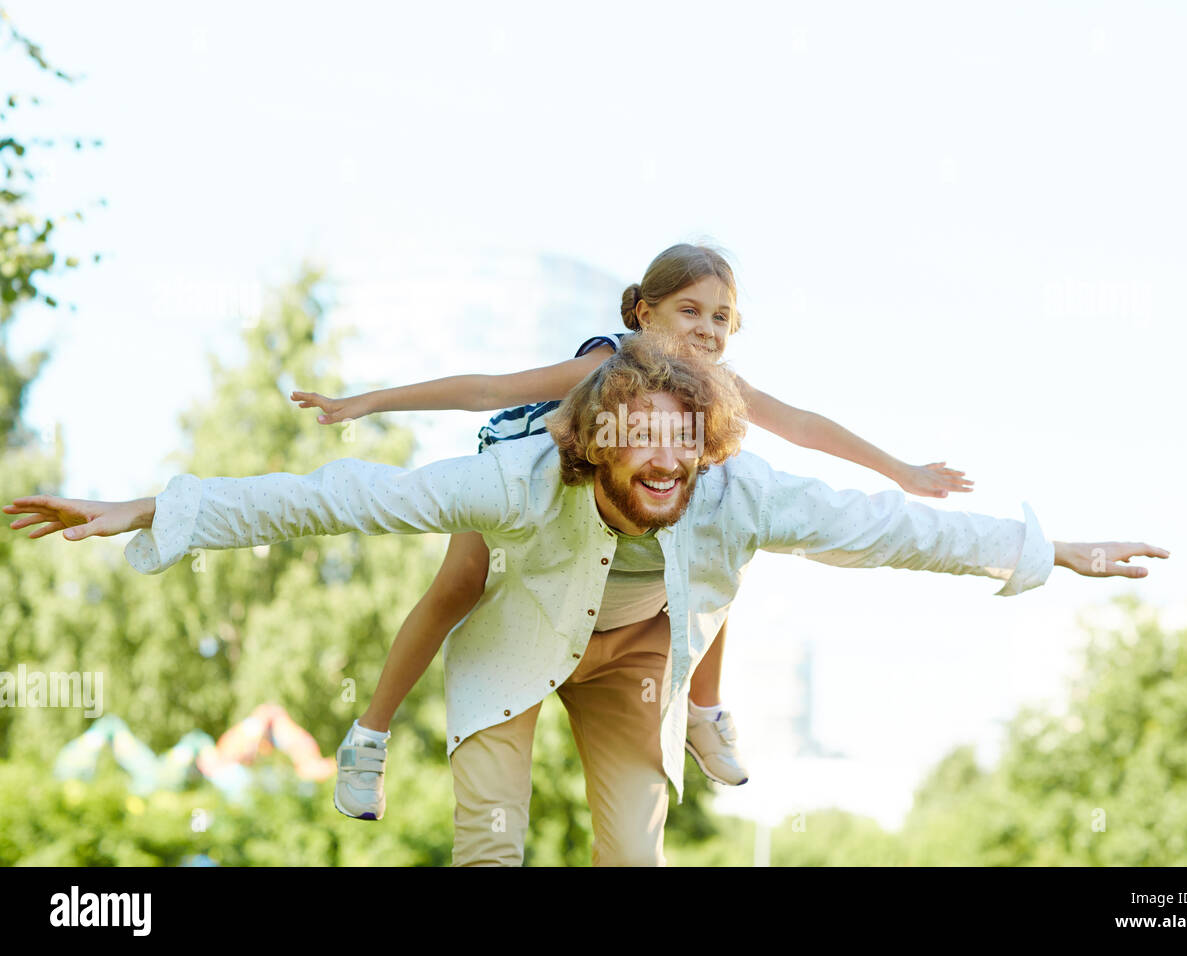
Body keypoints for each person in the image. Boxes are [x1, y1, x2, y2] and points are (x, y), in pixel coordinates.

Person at [5, 332, 1168, 866]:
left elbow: (891, 526)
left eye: (684, 448)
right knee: (491, 841)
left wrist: (1050, 547)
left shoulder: (732, 486)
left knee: (633, 850)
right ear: (598, 443)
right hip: (517, 652)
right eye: (642, 447)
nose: (665, 468)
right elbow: (340, 496)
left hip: (635, 658)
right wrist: (152, 508)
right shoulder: (517, 474)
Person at [288, 242, 976, 816]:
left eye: (722, 318)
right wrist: (371, 401)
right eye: (690, 311)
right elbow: (494, 389)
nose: (708, 329)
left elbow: (801, 423)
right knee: (460, 585)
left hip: (610, 501)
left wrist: (900, 470)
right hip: (525, 478)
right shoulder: (607, 363)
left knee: (717, 546)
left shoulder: (718, 389)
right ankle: (368, 735)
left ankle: (704, 713)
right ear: (645, 312)